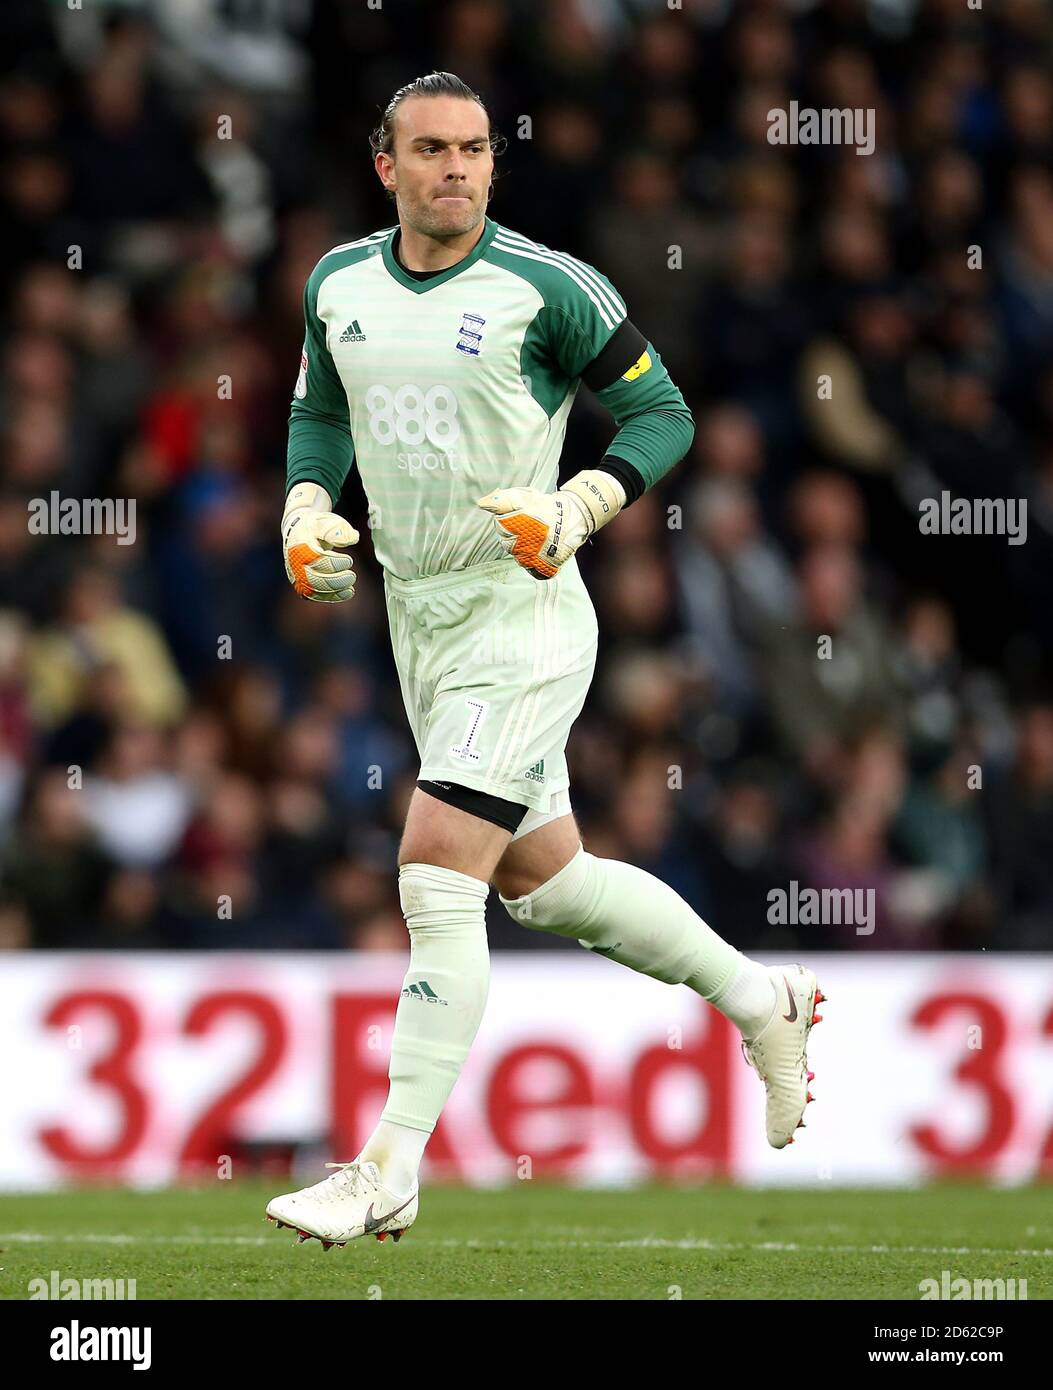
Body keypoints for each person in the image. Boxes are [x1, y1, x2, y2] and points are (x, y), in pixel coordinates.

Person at [266, 72, 823, 1249]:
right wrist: (307, 505)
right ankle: (763, 996)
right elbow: (320, 408)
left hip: (521, 614)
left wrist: (579, 504)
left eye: (473, 149)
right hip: (417, 618)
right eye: (430, 150)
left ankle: (386, 1165)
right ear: (387, 166)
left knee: (435, 873)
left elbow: (662, 410)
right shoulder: (339, 282)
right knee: (544, 882)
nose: (456, 168)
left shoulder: (547, 286)